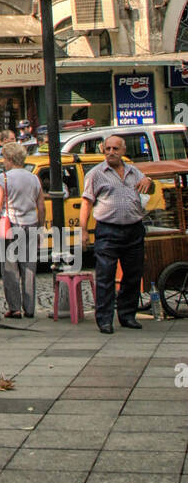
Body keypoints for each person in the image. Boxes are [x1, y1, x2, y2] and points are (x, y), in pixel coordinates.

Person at [80, 135, 153, 334]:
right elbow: (86, 202)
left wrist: (149, 180)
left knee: (133, 273)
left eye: (115, 149)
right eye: (108, 149)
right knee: (105, 276)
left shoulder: (133, 171)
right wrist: (84, 230)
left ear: (123, 151)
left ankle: (127, 315)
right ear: (103, 150)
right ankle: (104, 319)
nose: (111, 152)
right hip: (108, 230)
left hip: (133, 229)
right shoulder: (96, 174)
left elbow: (148, 187)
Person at [0, 141, 44, 319]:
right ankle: (29, 308)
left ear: (9, 158)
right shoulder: (33, 178)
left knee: (10, 268)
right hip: (31, 223)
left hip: (11, 225)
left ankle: (14, 308)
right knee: (29, 267)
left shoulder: (4, 178)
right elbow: (41, 205)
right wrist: (40, 227)